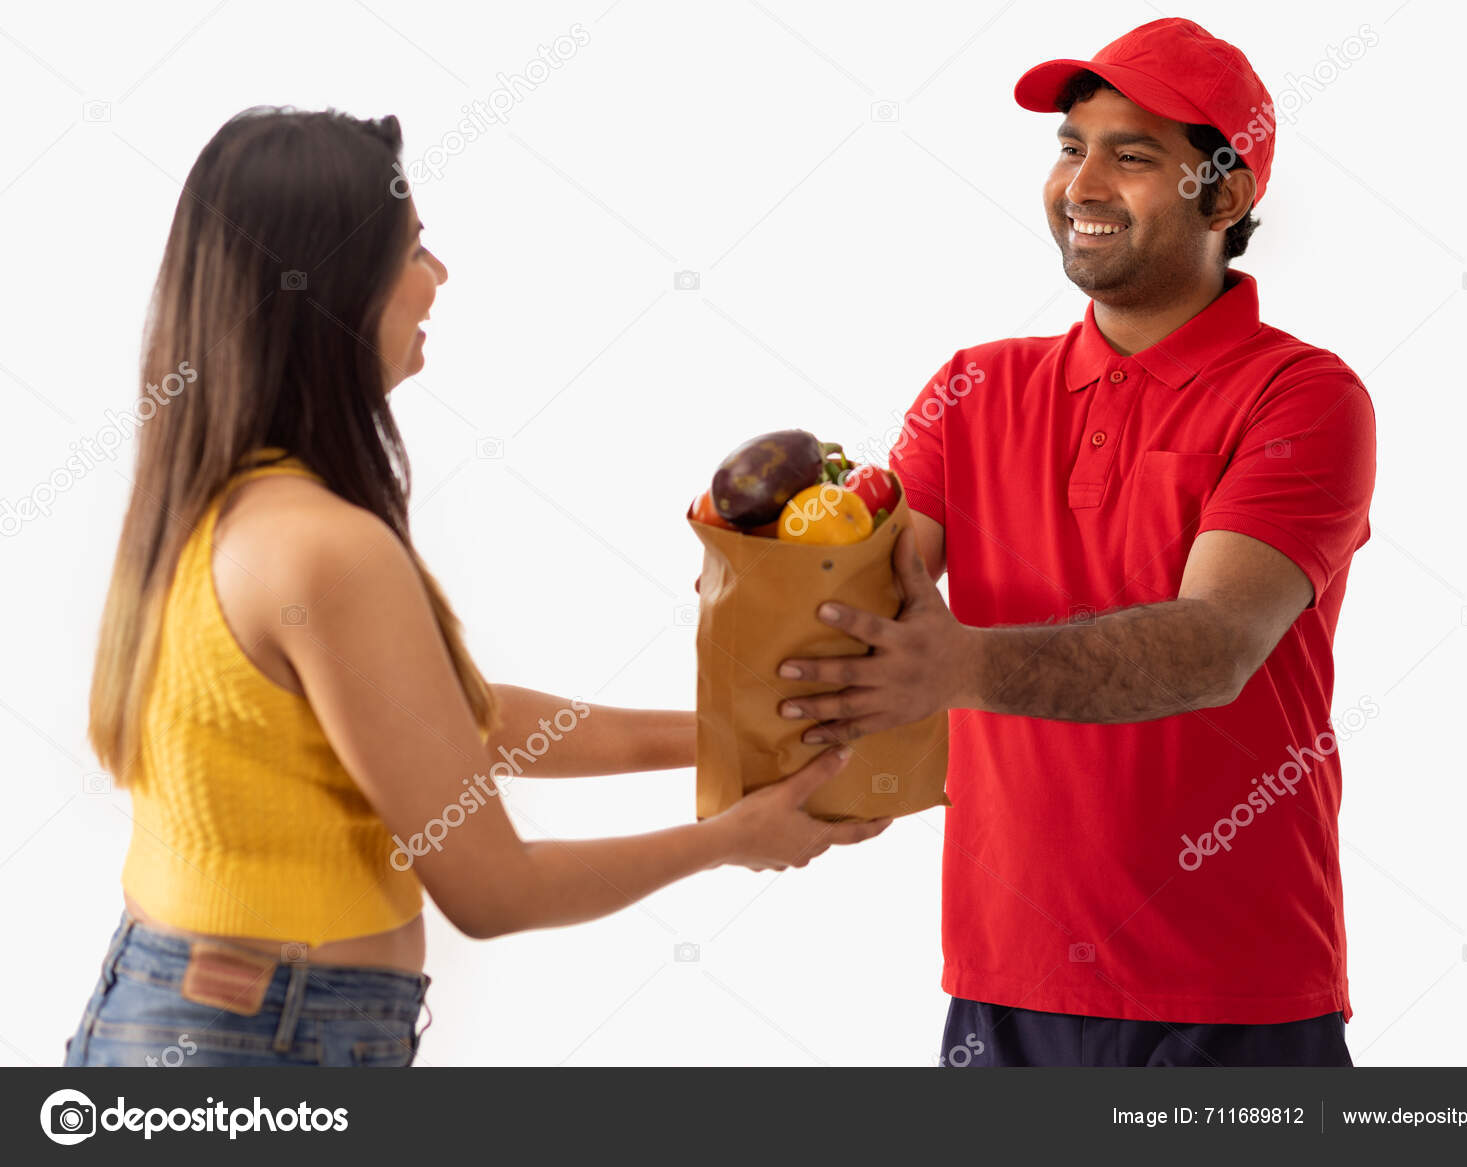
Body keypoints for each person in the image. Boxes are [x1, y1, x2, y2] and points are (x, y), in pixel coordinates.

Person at [66, 106, 888, 1069]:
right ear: (333, 287)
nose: (438, 277)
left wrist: (738, 735)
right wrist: (731, 838)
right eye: (414, 248)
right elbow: (495, 890)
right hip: (260, 1042)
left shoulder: (218, 500)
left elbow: (460, 727)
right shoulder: (324, 547)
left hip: (188, 1013)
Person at [775, 18, 1376, 1067]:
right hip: (1003, 987)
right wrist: (760, 568)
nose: (1081, 184)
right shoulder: (975, 389)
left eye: (1131, 155)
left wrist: (955, 663)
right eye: (1068, 148)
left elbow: (1215, 645)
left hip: (1231, 995)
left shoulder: (1303, 396)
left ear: (1224, 196)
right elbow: (862, 604)